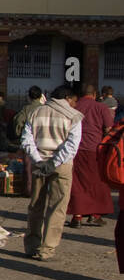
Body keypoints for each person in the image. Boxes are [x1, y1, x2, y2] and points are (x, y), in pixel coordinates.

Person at [21, 85, 83, 261]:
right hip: (61, 166)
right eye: (74, 101)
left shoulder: (36, 112)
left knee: (36, 206)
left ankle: (32, 245)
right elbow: (72, 146)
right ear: (68, 98)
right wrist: (54, 162)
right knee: (57, 208)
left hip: (39, 163)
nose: (75, 104)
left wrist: (39, 160)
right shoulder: (74, 116)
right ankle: (47, 249)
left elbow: (27, 139)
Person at [67, 84, 114, 229]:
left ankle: (78, 216)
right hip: (95, 150)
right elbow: (108, 128)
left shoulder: (74, 107)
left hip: (75, 150)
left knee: (77, 183)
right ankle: (95, 215)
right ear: (94, 94)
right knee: (97, 182)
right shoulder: (101, 108)